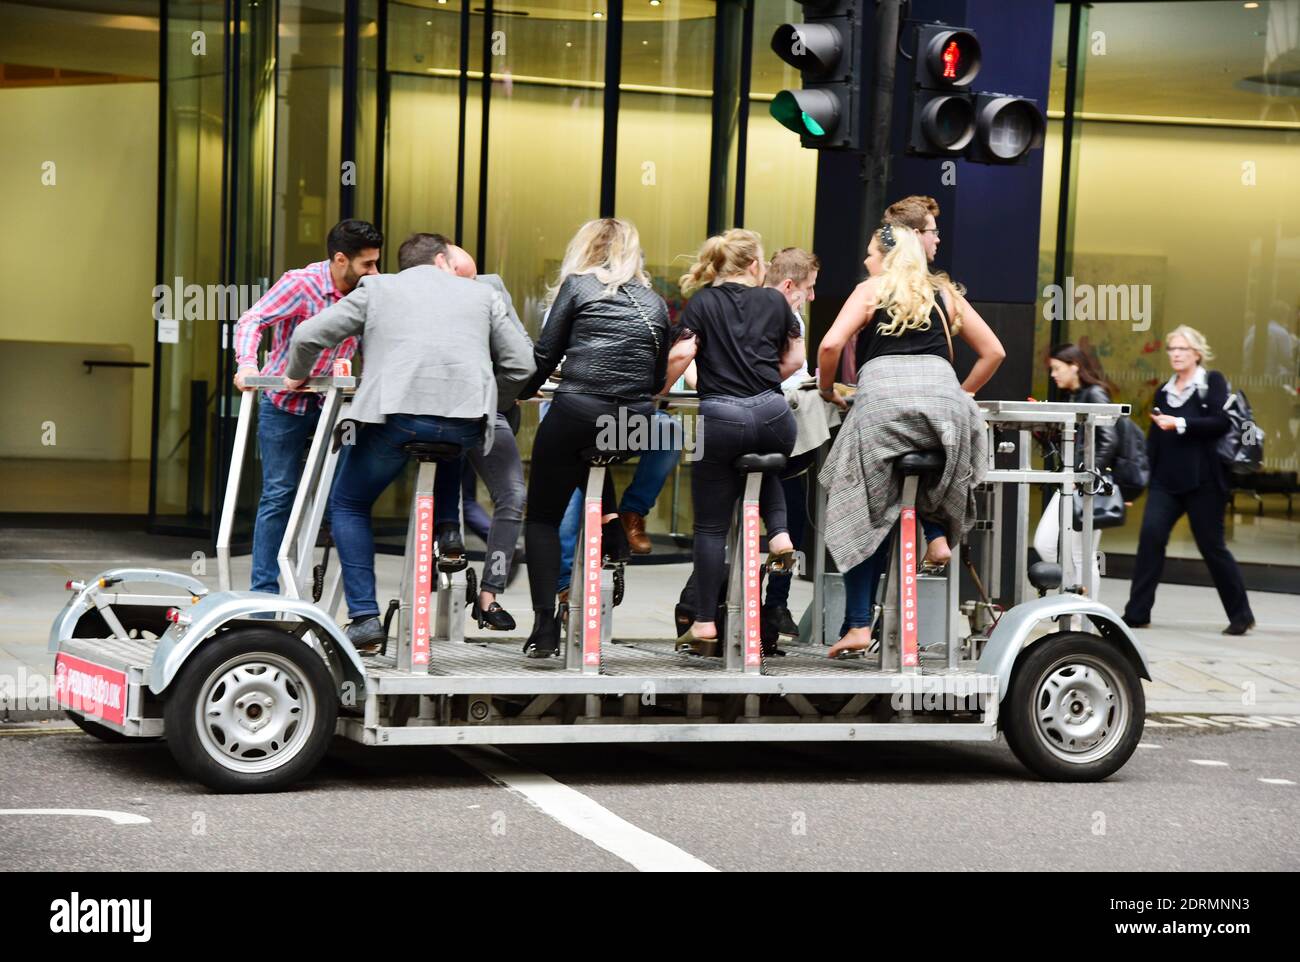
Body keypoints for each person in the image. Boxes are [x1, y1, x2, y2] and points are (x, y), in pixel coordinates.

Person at [282, 243, 535, 653]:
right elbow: (522, 365)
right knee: (450, 442)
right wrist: (489, 399)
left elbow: (308, 334)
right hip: (465, 424)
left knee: (348, 503)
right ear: (441, 260)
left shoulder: (378, 289)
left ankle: (365, 618)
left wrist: (296, 375)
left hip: (398, 418)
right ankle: (448, 532)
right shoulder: (484, 293)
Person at [816, 223, 1004, 658]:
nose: (865, 261)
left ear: (886, 258)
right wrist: (965, 393)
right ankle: (936, 533)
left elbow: (830, 345)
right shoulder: (945, 294)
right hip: (942, 403)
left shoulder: (872, 289)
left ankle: (859, 626)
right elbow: (994, 350)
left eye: (870, 254)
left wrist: (828, 389)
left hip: (882, 401)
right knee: (931, 461)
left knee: (862, 506)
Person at [519, 217, 672, 659]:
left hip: (579, 411)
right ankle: (611, 526)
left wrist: (518, 394)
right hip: (632, 424)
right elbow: (657, 376)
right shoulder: (655, 302)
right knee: (596, 461)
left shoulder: (578, 286)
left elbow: (545, 355)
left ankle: (545, 625)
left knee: (543, 517)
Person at [673, 229, 805, 656]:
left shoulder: (703, 303)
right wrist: (766, 382)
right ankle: (780, 534)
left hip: (722, 419)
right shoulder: (775, 301)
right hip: (774, 415)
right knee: (767, 468)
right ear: (754, 265)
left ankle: (707, 621)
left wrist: (659, 389)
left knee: (711, 527)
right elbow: (796, 359)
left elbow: (681, 356)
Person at [233, 219, 382, 595]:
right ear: (340, 259)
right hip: (285, 404)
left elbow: (370, 342)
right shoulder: (302, 284)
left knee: (342, 499)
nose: (374, 272)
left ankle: (347, 601)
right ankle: (263, 592)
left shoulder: (369, 291)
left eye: (376, 263)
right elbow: (254, 318)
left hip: (334, 406)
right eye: (367, 264)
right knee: (279, 494)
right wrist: (247, 364)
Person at [404, 233, 530, 631]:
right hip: (436, 411)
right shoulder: (415, 296)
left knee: (511, 494)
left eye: (474, 278)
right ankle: (422, 594)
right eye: (464, 278)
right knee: (442, 487)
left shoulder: (490, 289)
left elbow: (522, 352)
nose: (471, 288)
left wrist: (493, 396)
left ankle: (489, 594)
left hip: (486, 409)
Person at [1122, 325, 1254, 635]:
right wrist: (1137, 484)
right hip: (1165, 483)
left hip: (1204, 483)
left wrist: (1179, 423)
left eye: (1182, 349)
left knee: (1212, 547)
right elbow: (1154, 441)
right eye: (1172, 349)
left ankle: (1241, 614)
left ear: (1196, 353)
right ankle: (1137, 613)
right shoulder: (1163, 391)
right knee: (1150, 540)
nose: (1176, 354)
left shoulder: (1212, 383)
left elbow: (1221, 423)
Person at [763, 247, 820, 638]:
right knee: (785, 521)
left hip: (756, 427)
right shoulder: (780, 313)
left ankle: (771, 605)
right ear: (789, 285)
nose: (812, 296)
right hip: (776, 430)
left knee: (781, 523)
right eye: (809, 288)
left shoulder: (755, 306)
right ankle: (770, 607)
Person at [1031, 344, 1117, 598]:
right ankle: (1074, 604)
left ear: (1074, 366)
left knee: (1081, 553)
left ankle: (1082, 618)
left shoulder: (1095, 394)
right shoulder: (1075, 396)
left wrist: (1087, 475)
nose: (1053, 375)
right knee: (1048, 544)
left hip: (1085, 483)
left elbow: (1109, 439)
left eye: (1057, 368)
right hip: (1073, 481)